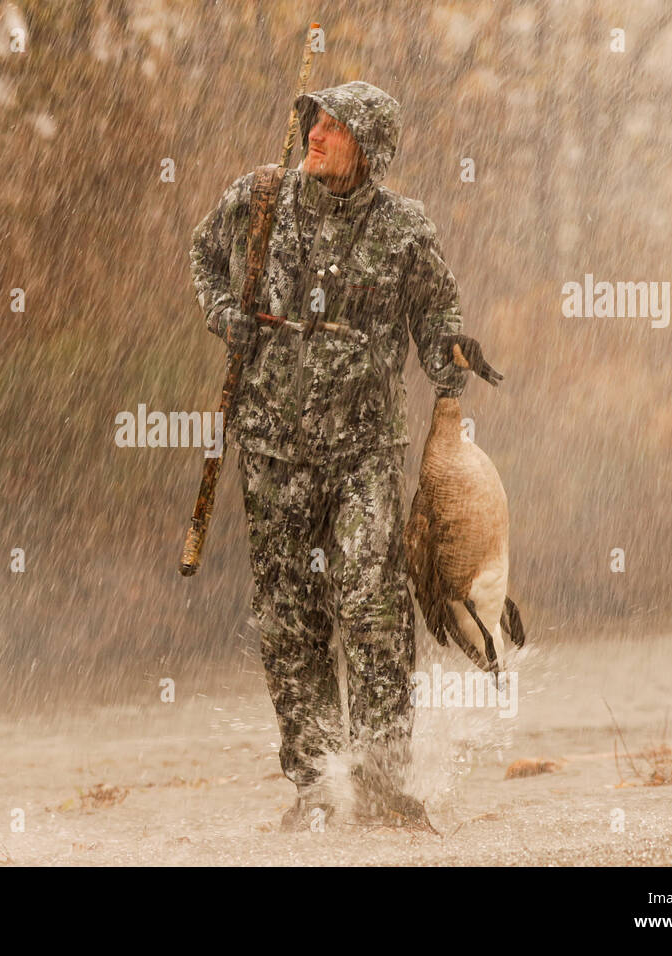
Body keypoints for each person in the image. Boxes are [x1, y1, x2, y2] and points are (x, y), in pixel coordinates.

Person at [188, 80, 489, 830]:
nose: (315, 135)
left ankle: (385, 785)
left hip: (364, 452)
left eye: (334, 127)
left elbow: (438, 316)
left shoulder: (405, 230)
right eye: (312, 122)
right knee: (289, 619)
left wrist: (451, 360)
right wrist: (227, 316)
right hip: (271, 449)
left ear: (370, 150)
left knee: (373, 604)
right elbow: (202, 257)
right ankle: (317, 785)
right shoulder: (259, 200)